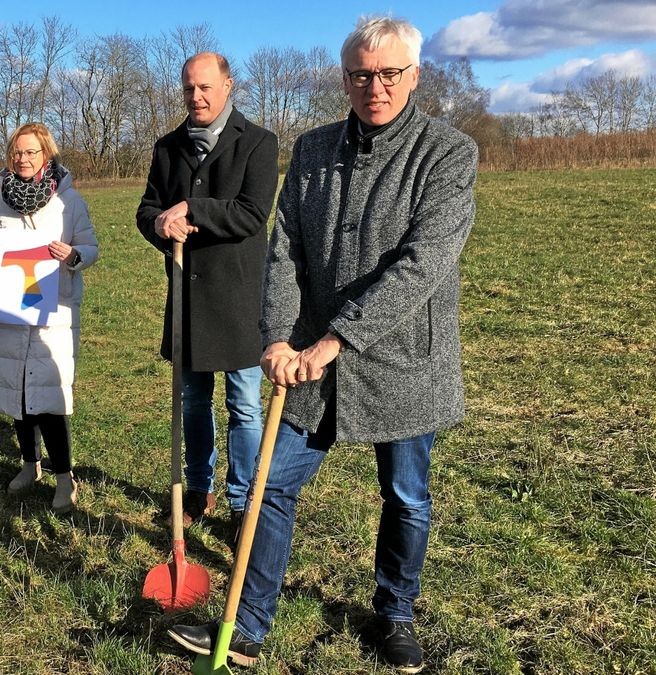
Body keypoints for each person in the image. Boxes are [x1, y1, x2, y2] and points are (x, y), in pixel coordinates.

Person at [169, 17, 478, 672]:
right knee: (269, 487)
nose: (376, 86)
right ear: (345, 78)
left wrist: (337, 340)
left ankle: (394, 610)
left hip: (402, 363)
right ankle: (248, 626)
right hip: (308, 362)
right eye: (363, 74)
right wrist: (279, 336)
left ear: (414, 76)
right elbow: (284, 253)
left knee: (406, 495)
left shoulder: (448, 154)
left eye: (390, 73)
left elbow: (422, 266)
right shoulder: (312, 150)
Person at [136, 52, 279, 533]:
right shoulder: (167, 146)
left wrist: (191, 210)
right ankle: (199, 490)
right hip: (188, 300)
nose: (196, 97)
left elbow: (251, 213)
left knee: (243, 404)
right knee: (193, 403)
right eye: (188, 89)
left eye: (205, 88)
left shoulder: (258, 142)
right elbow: (148, 211)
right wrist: (160, 223)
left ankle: (243, 502)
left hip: (237, 299)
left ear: (227, 86)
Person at [0, 123, 98, 514]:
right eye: (17, 153)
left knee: (50, 398)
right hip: (9, 311)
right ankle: (30, 465)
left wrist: (73, 256)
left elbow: (90, 247)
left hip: (53, 314)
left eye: (31, 153)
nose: (23, 159)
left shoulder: (69, 202)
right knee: (18, 394)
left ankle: (65, 478)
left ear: (47, 155)